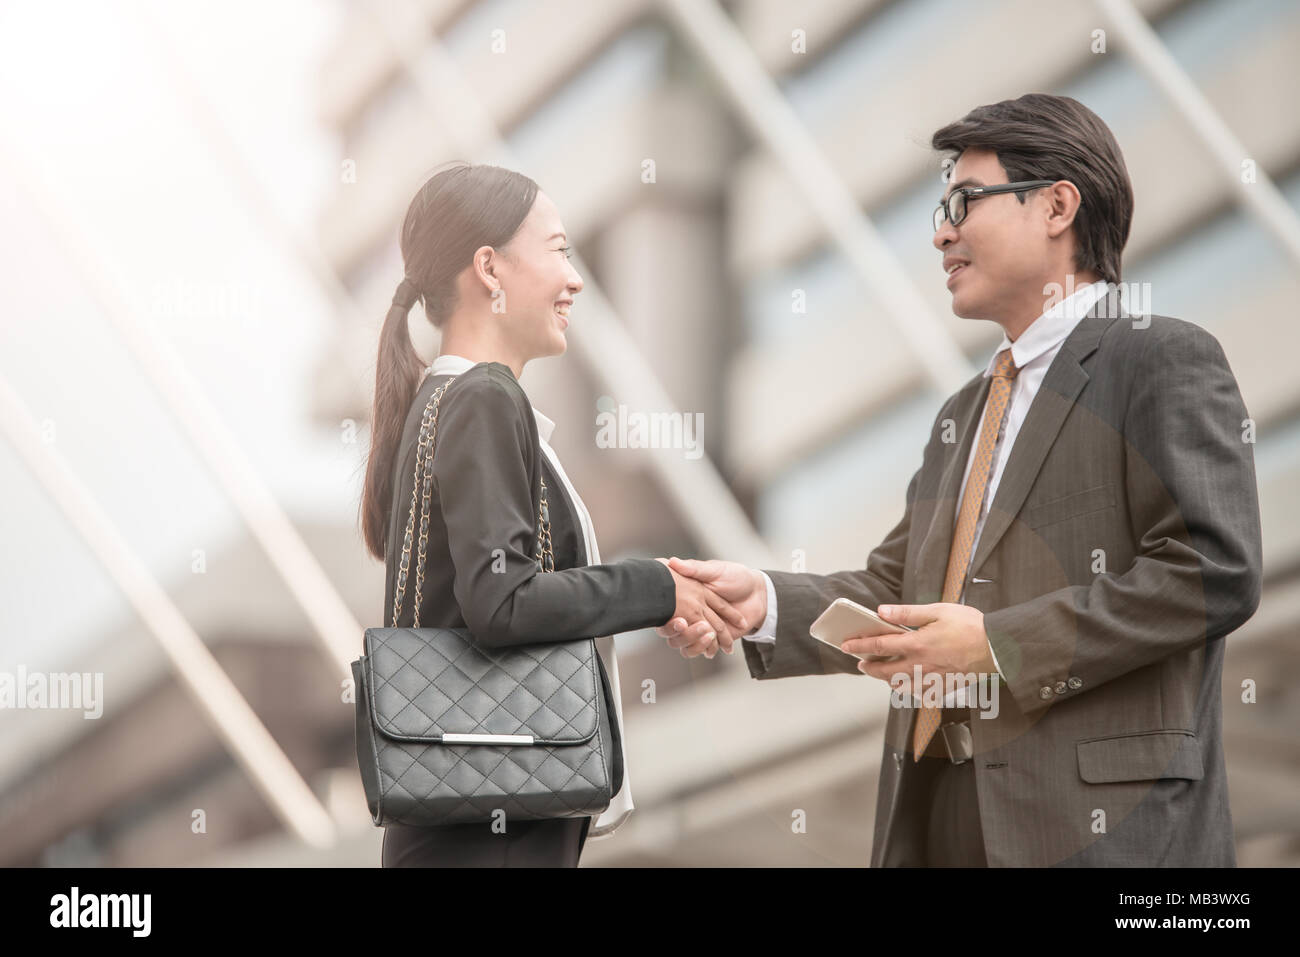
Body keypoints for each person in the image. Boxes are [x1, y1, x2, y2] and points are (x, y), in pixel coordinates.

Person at [659, 94, 1262, 866]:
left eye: (963, 202)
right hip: (937, 820)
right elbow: (899, 583)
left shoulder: (1160, 358)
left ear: (1056, 205)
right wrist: (766, 601)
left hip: (1105, 830)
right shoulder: (966, 411)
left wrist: (999, 645)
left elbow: (1215, 570)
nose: (942, 232)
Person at [358, 162, 747, 866]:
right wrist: (656, 585)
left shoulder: (440, 404)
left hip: (462, 821)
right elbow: (502, 601)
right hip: (491, 831)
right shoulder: (483, 397)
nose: (574, 280)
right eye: (560, 250)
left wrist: (655, 603)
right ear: (489, 268)